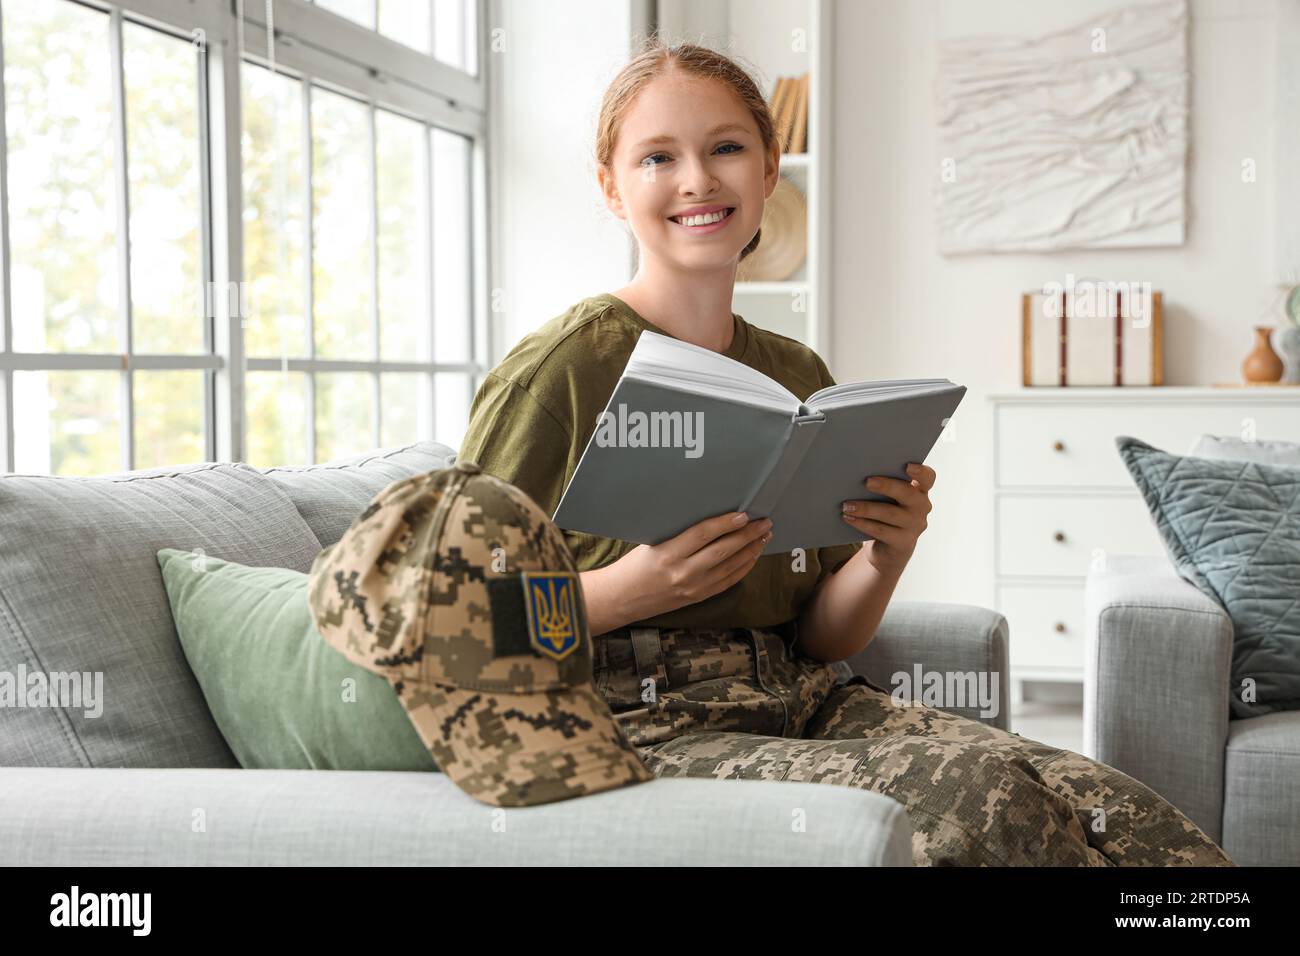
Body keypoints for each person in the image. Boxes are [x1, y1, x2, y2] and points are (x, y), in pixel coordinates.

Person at [456, 36, 1233, 866]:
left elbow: (825, 639)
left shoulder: (796, 374)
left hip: (804, 701)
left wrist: (885, 554)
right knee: (988, 803)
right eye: (658, 158)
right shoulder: (561, 371)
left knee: (1119, 811)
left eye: (726, 148)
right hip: (636, 727)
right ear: (612, 186)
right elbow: (458, 619)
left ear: (769, 168)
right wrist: (630, 590)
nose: (697, 180)